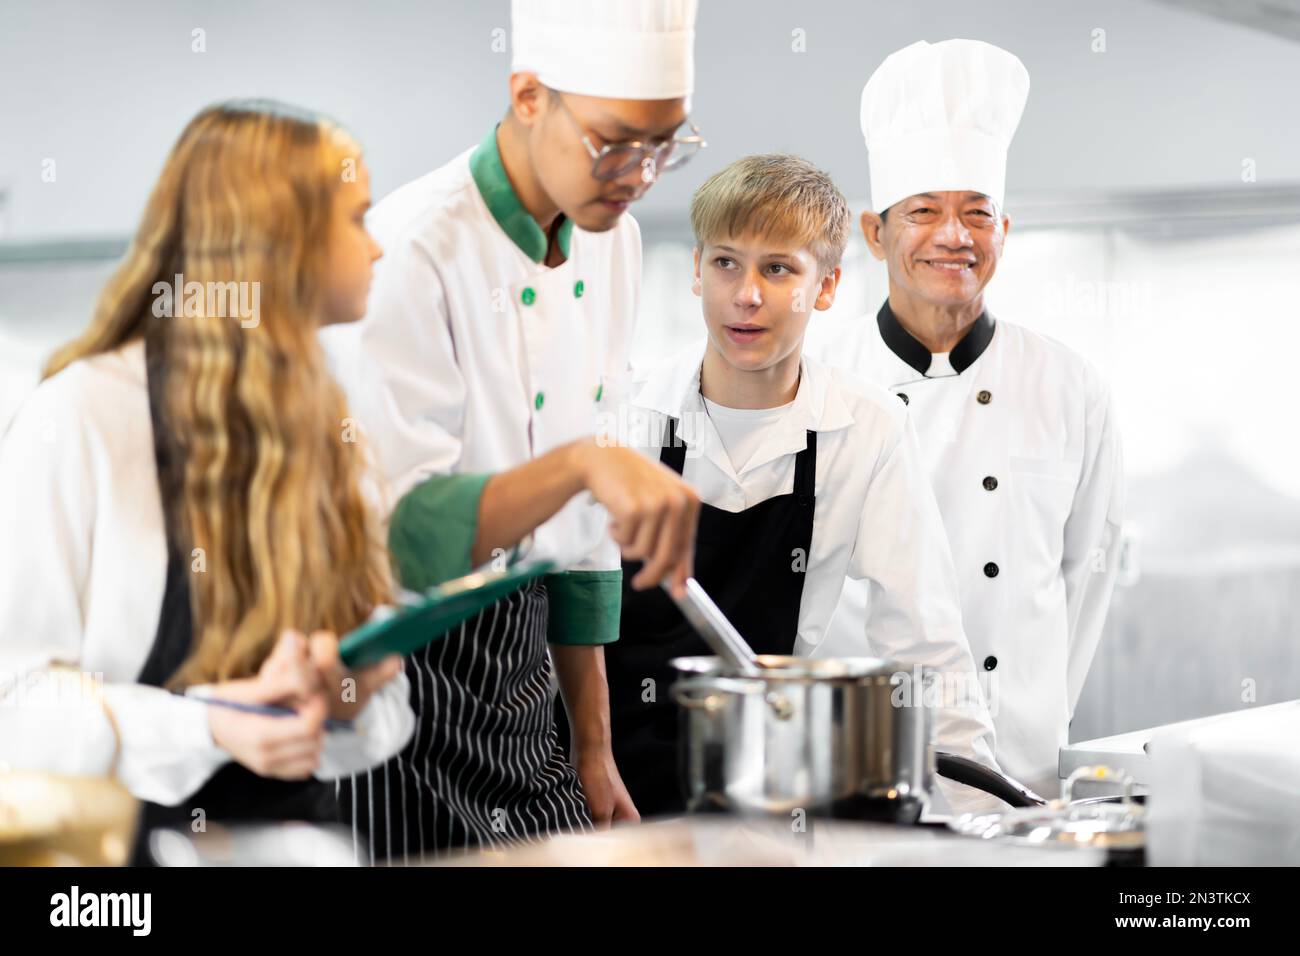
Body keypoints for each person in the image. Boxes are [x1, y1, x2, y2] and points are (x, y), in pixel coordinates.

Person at [322, 0, 705, 860]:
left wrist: (594, 746)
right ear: (528, 96)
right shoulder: (410, 251)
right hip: (404, 685)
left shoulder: (617, 242)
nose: (639, 173)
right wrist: (582, 465)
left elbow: (578, 545)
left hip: (527, 681)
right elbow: (403, 538)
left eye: (665, 144)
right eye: (615, 142)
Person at [0, 101, 415, 864]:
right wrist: (212, 725)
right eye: (356, 219)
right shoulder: (80, 417)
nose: (378, 247)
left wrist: (343, 694)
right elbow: (14, 708)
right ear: (275, 239)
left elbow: (382, 721)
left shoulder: (332, 427)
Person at [607, 154, 1000, 817]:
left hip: (760, 787)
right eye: (726, 263)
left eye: (778, 268)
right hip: (602, 784)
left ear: (825, 287)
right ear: (696, 272)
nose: (747, 294)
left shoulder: (865, 427)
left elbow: (925, 646)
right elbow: (556, 616)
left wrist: (984, 827)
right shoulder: (625, 415)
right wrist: (581, 763)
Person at [815, 39, 1125, 796]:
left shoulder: (1070, 386)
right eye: (924, 211)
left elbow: (1088, 578)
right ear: (873, 232)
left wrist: (1039, 718)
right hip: (860, 776)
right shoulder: (818, 383)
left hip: (1024, 778)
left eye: (976, 214)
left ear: (1004, 232)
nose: (954, 236)